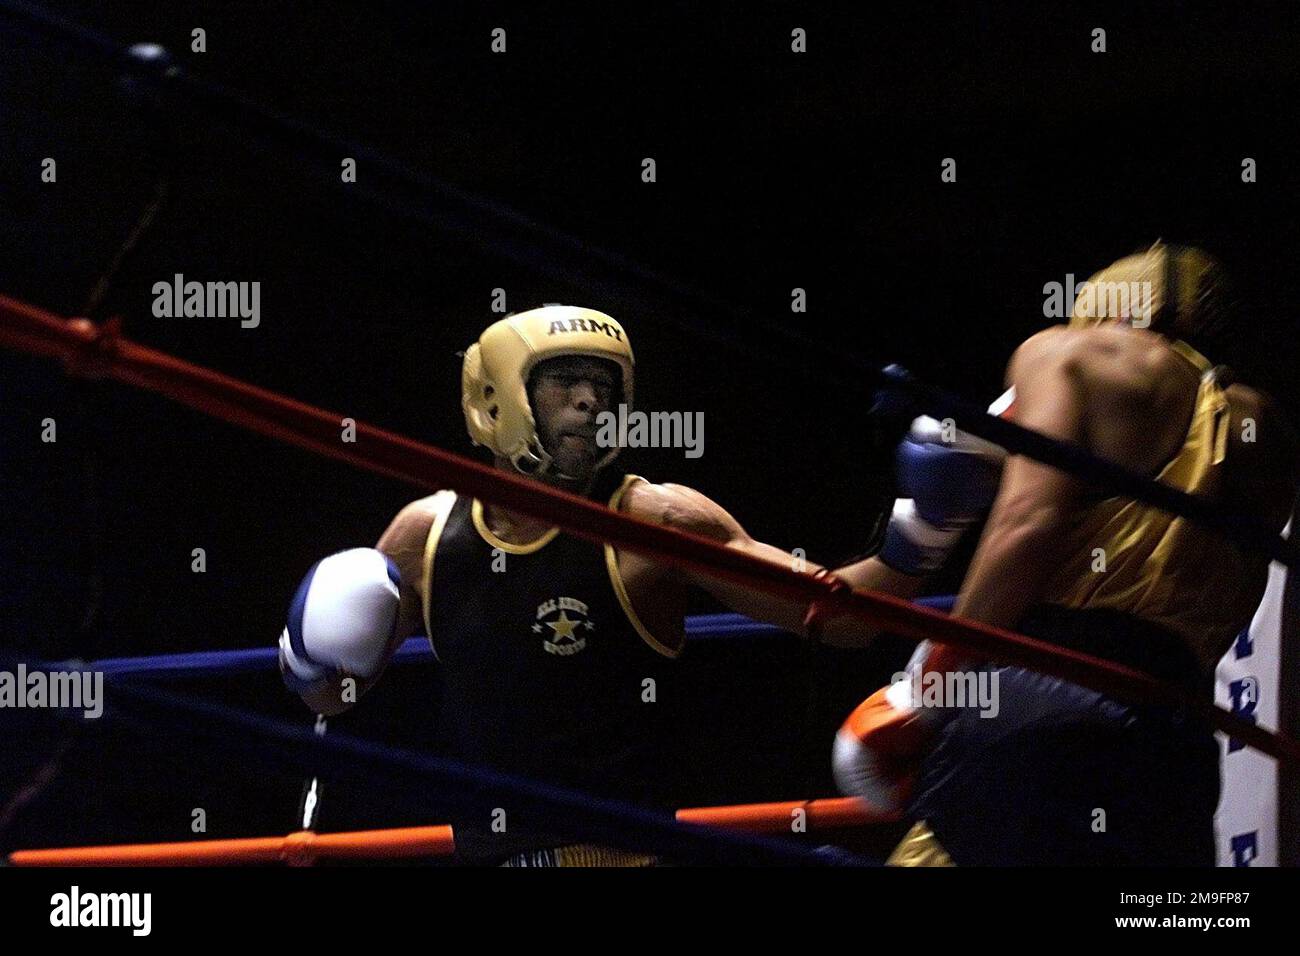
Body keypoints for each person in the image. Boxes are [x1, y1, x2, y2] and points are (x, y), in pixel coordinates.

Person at [276, 304, 1002, 864]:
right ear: (498, 398)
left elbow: (835, 616)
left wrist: (919, 539)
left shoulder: (657, 522)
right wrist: (308, 654)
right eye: (565, 383)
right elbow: (332, 696)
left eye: (602, 385)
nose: (589, 403)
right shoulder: (423, 535)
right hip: (487, 854)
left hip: (625, 851)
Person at [835, 243, 1299, 865]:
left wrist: (925, 688)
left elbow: (1027, 522)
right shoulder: (1267, 432)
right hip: (1174, 747)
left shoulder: (1069, 353)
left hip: (1040, 702)